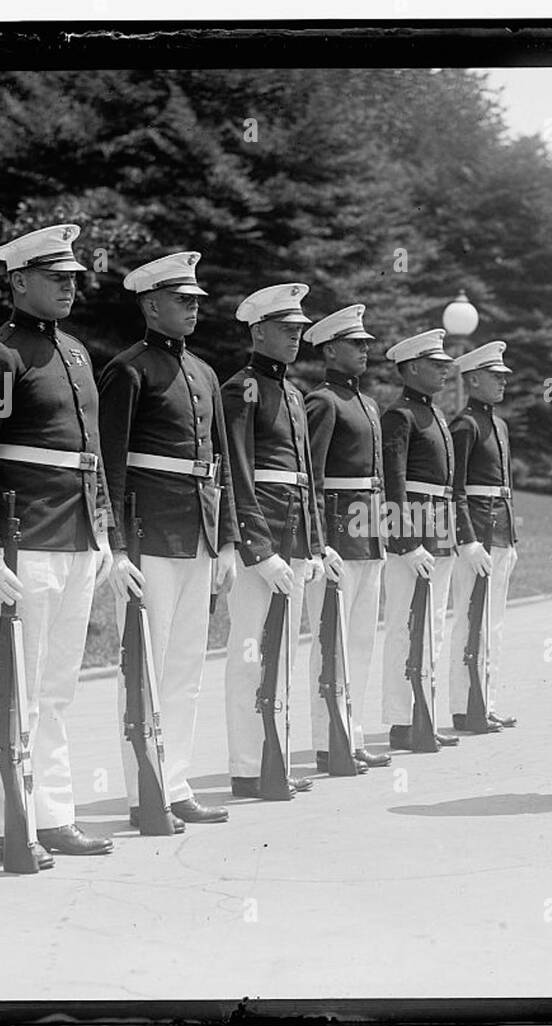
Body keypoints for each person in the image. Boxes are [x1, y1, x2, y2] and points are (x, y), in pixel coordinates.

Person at [0, 223, 120, 860]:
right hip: (20, 546)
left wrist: (102, 535)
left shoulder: (74, 353)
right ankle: (9, 826)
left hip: (72, 541)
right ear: (19, 282)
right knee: (10, 688)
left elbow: (91, 458)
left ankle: (55, 815)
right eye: (56, 277)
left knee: (57, 689)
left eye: (74, 277)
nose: (70, 286)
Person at [97, 250, 235, 830]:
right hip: (151, 535)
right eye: (183, 301)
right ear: (151, 305)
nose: (194, 310)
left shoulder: (204, 373)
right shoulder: (129, 371)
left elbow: (220, 464)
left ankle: (176, 783)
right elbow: (109, 466)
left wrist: (227, 541)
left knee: (186, 671)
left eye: (197, 301)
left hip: (198, 536)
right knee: (147, 669)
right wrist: (117, 547)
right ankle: (145, 793)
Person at [220, 283, 325, 800]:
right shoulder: (242, 389)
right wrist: (258, 551)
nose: (296, 338)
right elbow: (238, 475)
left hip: (296, 536)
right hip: (262, 541)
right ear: (258, 331)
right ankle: (247, 765)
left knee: (280, 653)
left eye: (301, 330)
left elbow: (305, 475)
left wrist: (317, 542)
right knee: (249, 652)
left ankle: (274, 756)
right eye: (287, 330)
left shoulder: (294, 394)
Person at [302, 305, 392, 774]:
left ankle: (351, 735)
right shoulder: (323, 402)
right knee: (331, 640)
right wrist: (320, 540)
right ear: (330, 349)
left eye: (366, 343)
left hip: (368, 530)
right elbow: (312, 477)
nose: (365, 350)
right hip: (338, 531)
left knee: (359, 641)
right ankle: (328, 740)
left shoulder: (368, 403)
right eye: (355, 344)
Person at [379, 328, 461, 752]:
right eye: (436, 364)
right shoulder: (401, 415)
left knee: (432, 629)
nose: (445, 369)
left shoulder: (437, 414)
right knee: (404, 626)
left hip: (439, 529)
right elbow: (393, 482)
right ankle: (400, 718)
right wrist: (407, 543)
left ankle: (422, 712)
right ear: (411, 368)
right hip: (414, 531)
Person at [448, 340, 519, 733]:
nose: (503, 382)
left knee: (493, 624)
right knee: (471, 621)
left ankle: (485, 702)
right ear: (473, 379)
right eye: (495, 376)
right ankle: (465, 707)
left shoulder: (499, 425)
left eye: (504, 376)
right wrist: (467, 540)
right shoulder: (466, 426)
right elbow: (456, 489)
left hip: (501, 534)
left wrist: (512, 540)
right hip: (478, 535)